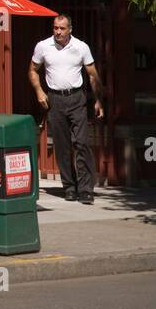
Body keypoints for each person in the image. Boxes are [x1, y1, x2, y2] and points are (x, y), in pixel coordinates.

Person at [29, 14, 104, 204]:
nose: (58, 32)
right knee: (61, 145)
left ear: (70, 29)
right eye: (55, 28)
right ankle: (69, 187)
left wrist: (98, 101)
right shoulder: (43, 46)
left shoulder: (81, 47)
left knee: (81, 143)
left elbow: (93, 75)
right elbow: (32, 70)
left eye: (62, 28)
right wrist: (39, 91)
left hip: (77, 97)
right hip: (55, 98)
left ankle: (86, 189)